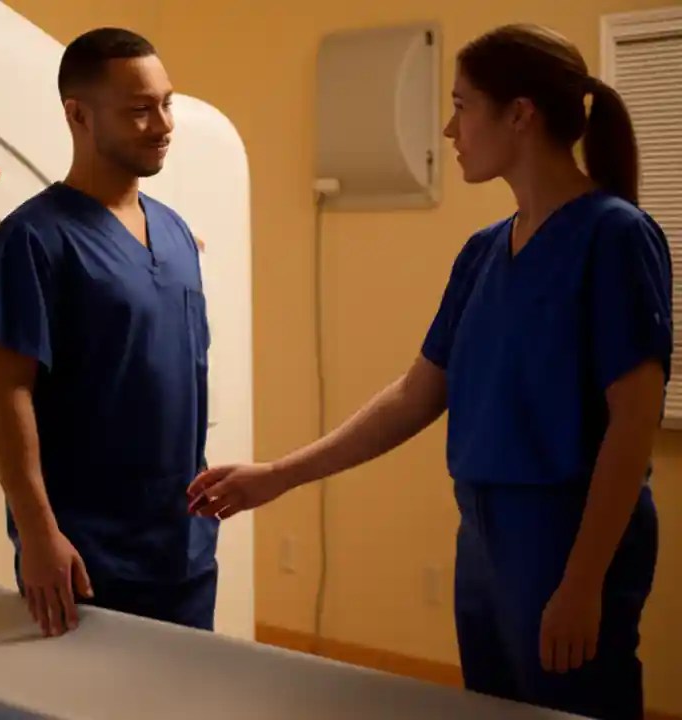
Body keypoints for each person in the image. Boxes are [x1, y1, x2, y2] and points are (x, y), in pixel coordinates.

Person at [187, 23, 669, 720]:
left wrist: (583, 578)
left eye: (462, 104)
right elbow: (416, 394)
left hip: (568, 537)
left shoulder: (614, 236)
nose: (449, 127)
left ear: (520, 115)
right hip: (484, 537)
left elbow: (634, 420)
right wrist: (278, 475)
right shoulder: (483, 253)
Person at [0, 27, 217, 637]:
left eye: (166, 103)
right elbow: (7, 393)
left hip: (184, 550)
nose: (162, 124)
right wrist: (38, 534)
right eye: (138, 110)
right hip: (88, 560)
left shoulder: (177, 232)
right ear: (77, 115)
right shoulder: (33, 240)